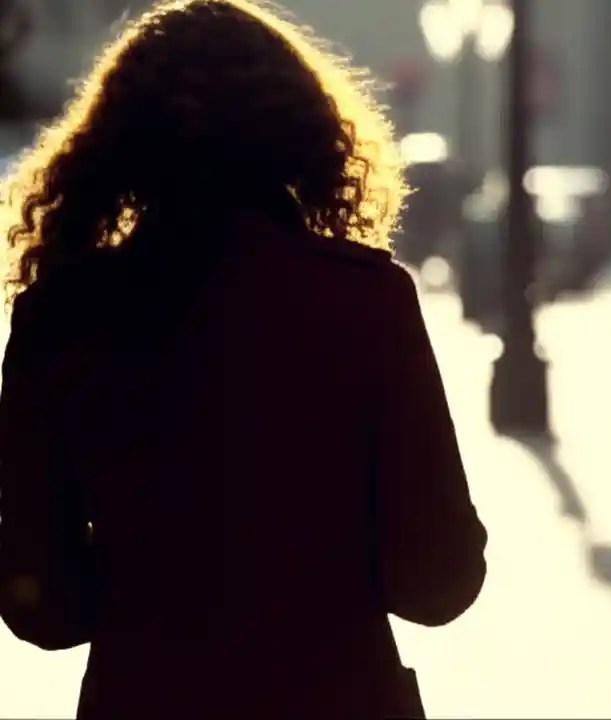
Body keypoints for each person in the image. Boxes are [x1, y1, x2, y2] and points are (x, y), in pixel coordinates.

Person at [0, 2, 488, 718]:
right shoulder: (365, 300)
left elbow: (43, 606)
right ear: (303, 137)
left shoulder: (62, 314)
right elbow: (437, 582)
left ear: (117, 142)